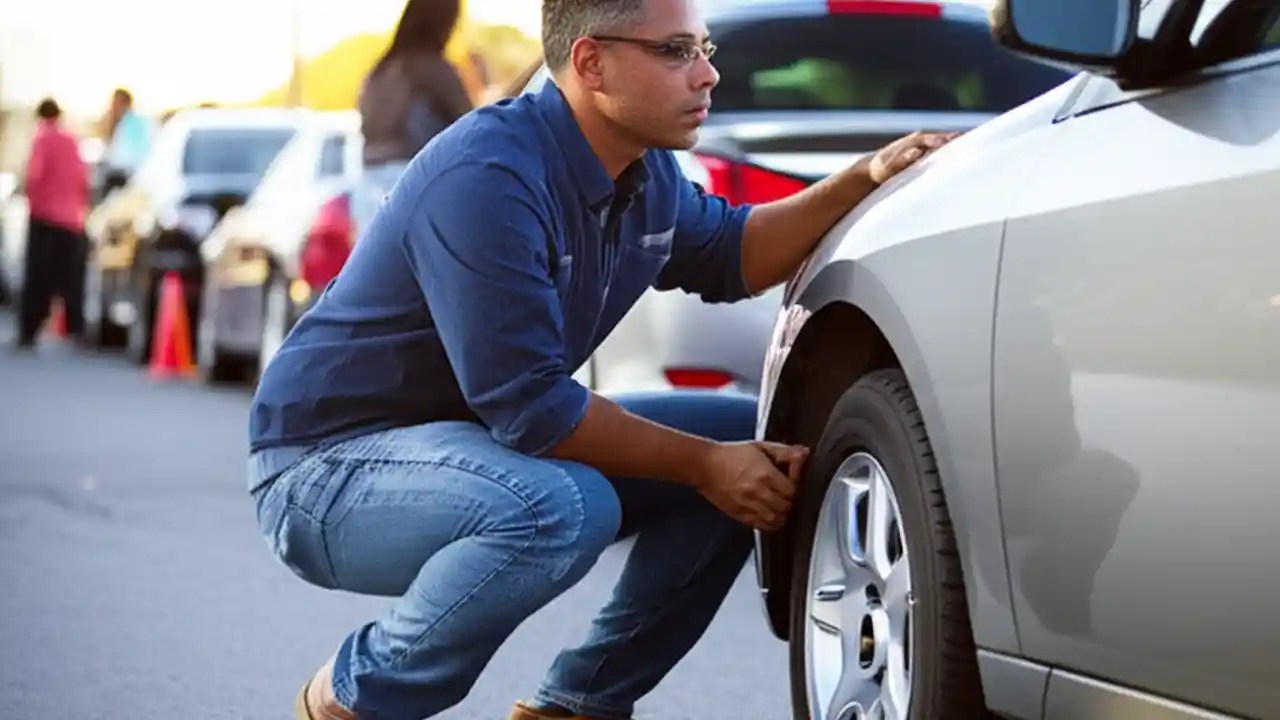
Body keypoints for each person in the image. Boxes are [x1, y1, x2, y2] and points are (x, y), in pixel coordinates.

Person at [248, 0, 957, 718]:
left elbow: (734, 254)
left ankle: (578, 706)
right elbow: (532, 413)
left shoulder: (642, 174)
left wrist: (862, 179)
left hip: (473, 445)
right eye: (677, 52)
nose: (707, 74)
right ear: (591, 63)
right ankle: (353, 697)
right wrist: (706, 467)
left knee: (747, 448)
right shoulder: (488, 176)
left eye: (705, 48)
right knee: (563, 508)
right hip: (327, 471)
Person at [355, 0, 474, 226]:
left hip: (368, 186)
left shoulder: (380, 72)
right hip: (418, 184)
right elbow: (473, 127)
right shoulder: (431, 69)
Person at [16, 98, 89, 350]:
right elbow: (83, 177)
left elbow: (35, 175)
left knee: (38, 278)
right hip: (71, 220)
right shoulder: (71, 140)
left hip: (45, 217)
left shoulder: (42, 138)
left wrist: (31, 199)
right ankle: (77, 330)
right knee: (71, 279)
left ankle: (29, 332)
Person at [101, 88, 150, 196]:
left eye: (116, 102)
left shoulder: (136, 122)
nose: (113, 106)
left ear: (126, 103)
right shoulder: (119, 123)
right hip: (118, 176)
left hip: (129, 177)